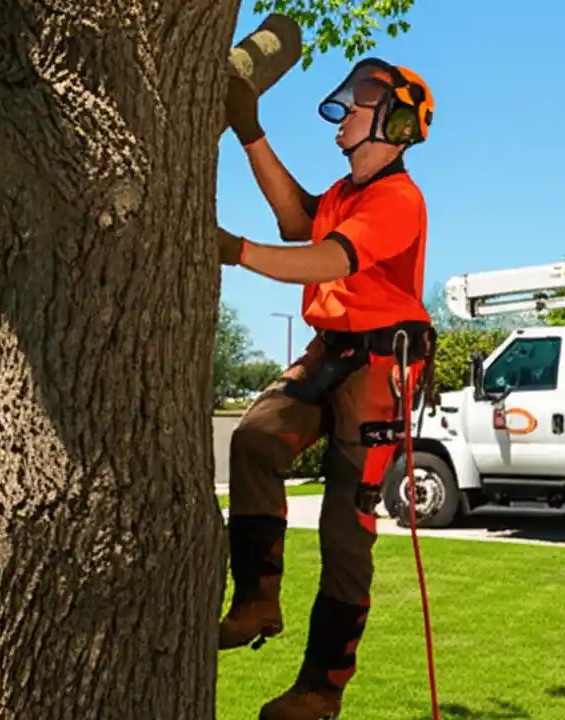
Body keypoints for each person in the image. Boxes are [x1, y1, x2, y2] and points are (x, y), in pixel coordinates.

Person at [217, 57, 437, 720]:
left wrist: (232, 250)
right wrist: (250, 132)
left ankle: (322, 688)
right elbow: (297, 221)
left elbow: (327, 259)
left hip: (382, 364)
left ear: (397, 123)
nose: (345, 112)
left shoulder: (399, 199)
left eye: (363, 101)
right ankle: (258, 599)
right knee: (256, 438)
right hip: (331, 348)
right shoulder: (345, 194)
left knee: (347, 526)